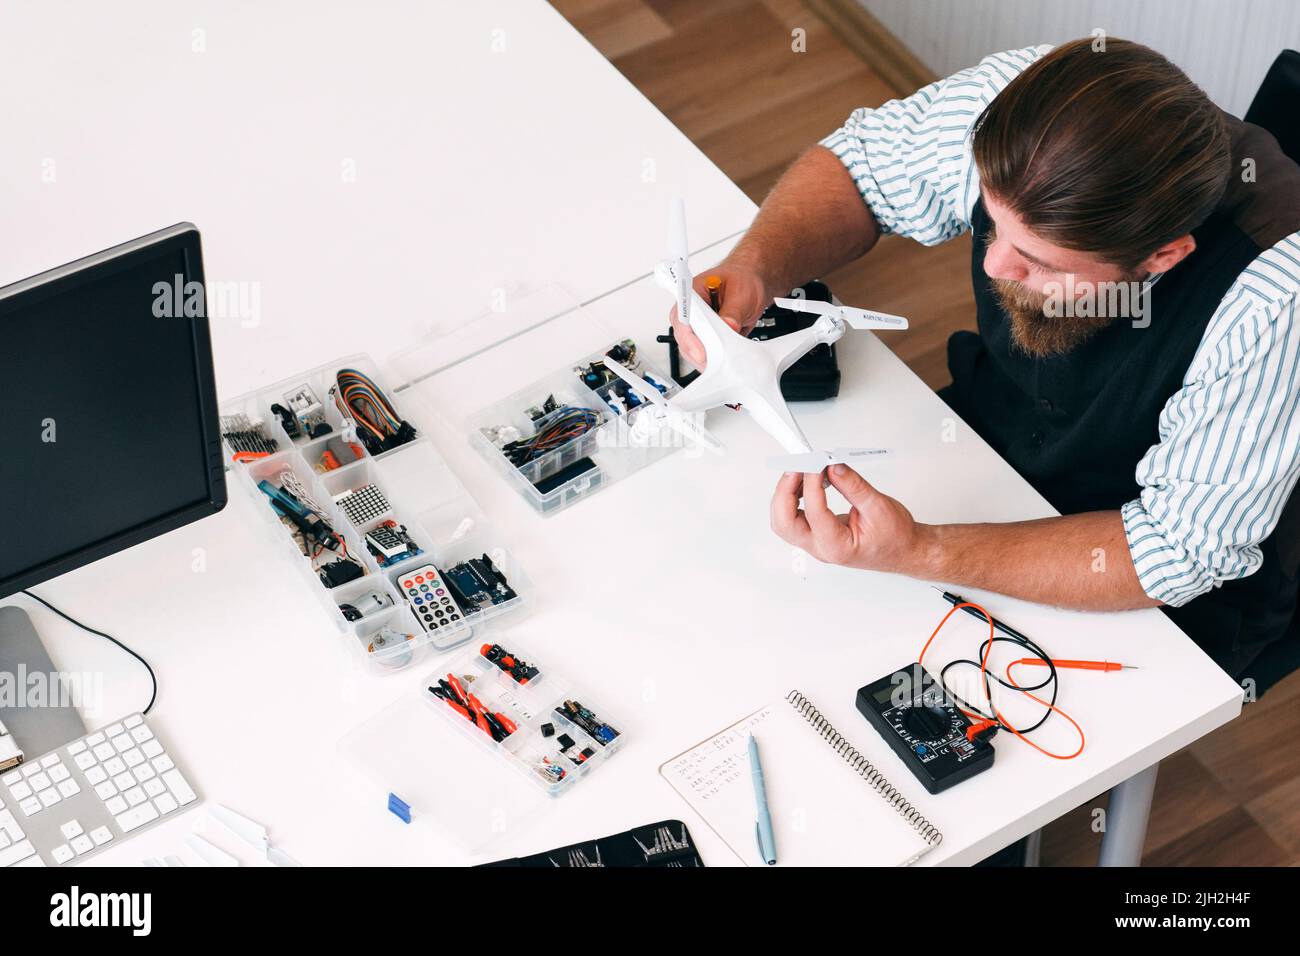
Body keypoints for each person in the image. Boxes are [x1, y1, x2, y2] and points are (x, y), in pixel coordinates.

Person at [670, 38, 1300, 679]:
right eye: (993, 223)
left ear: (1162, 258)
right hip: (987, 439)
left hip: (1152, 573)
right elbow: (862, 169)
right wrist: (753, 267)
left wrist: (924, 551)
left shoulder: (1276, 298)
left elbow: (1178, 549)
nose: (995, 263)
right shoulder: (1025, 109)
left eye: (1041, 262)